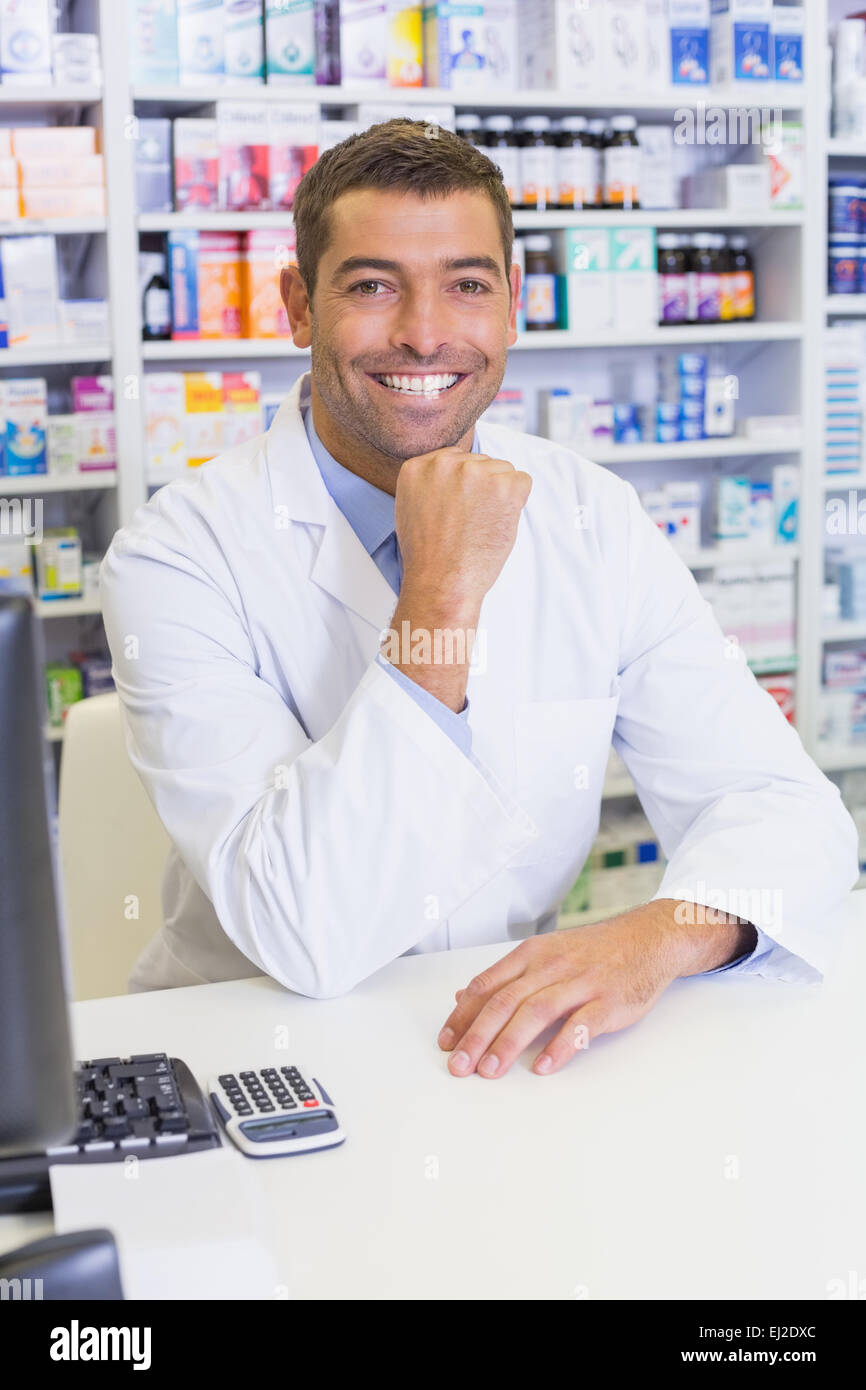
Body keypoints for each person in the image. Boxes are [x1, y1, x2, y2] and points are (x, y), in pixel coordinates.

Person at [101, 118, 858, 1081]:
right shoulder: (177, 555)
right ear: (297, 305)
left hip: (502, 1045)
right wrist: (440, 592)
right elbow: (305, 932)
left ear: (513, 308)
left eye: (467, 284)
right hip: (250, 1058)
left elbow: (784, 806)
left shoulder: (595, 516)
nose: (425, 331)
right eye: (372, 285)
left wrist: (661, 935)